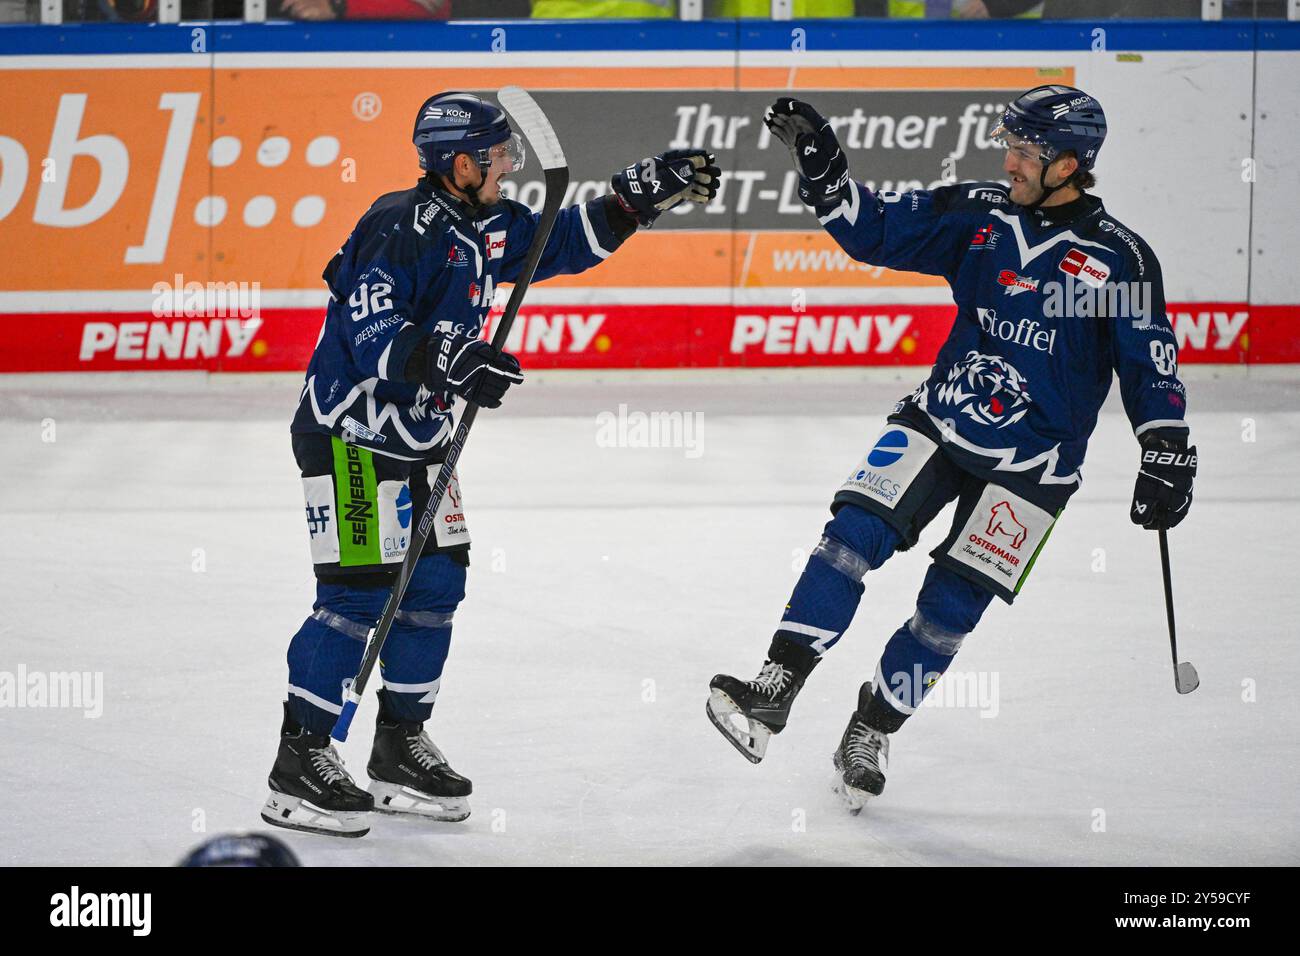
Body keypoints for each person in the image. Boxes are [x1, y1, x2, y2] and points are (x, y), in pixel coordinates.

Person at [707, 86, 1196, 810]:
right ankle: (777, 683)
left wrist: (1166, 449)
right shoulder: (979, 216)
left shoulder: (1116, 260)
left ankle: (870, 730)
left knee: (948, 613)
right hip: (940, 421)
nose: (1010, 162)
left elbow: (1149, 361)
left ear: (1071, 164)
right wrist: (822, 163)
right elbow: (871, 229)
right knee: (850, 537)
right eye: (1012, 146)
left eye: (1027, 153)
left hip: (1036, 469)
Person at [264, 91, 719, 838]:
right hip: (350, 434)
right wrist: (454, 358)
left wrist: (641, 197)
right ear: (460, 162)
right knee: (357, 596)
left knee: (437, 582)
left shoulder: (488, 224)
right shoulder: (395, 226)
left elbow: (561, 242)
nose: (508, 165)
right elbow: (373, 331)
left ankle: (397, 745)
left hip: (419, 438)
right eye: (497, 155)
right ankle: (300, 759)